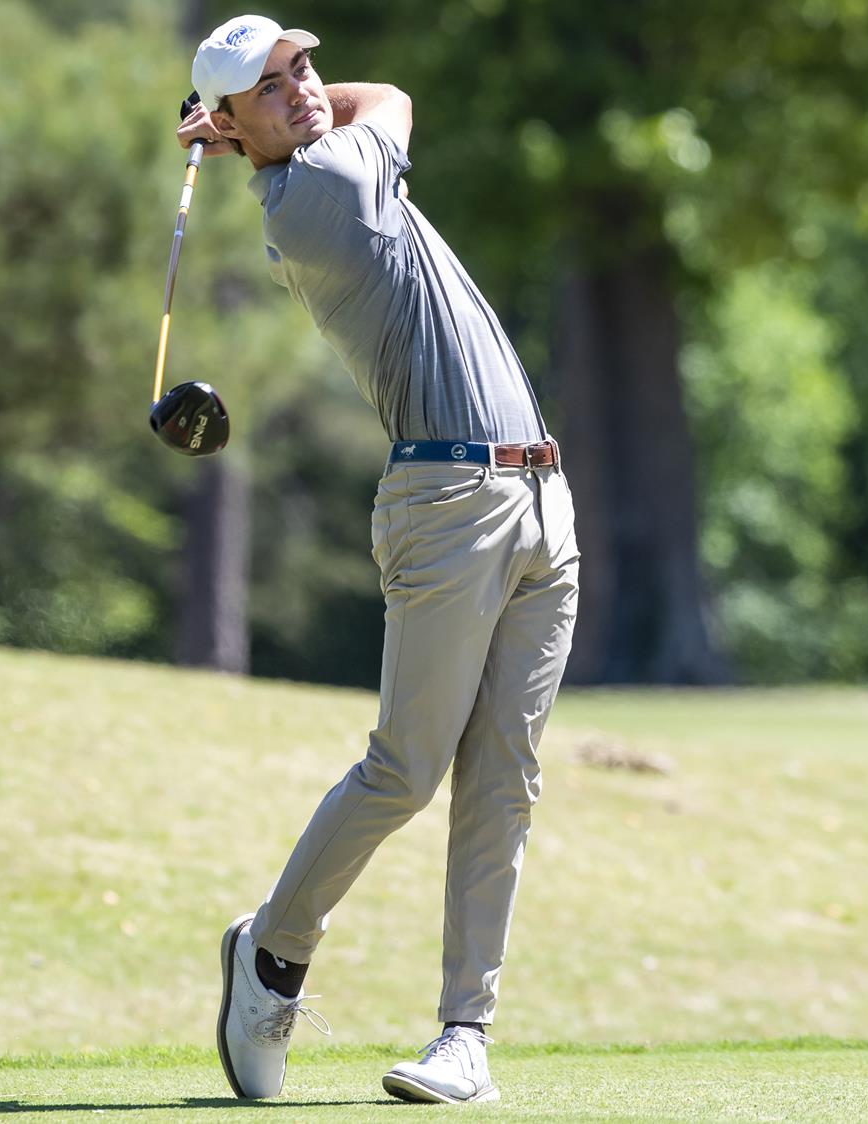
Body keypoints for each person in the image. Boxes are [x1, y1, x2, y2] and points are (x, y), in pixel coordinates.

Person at [178, 13, 579, 1106]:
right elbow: (390, 96)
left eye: (303, 66)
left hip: (540, 497)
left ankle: (464, 1036)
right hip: (448, 502)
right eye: (271, 86)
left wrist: (241, 114)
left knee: (504, 778)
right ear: (233, 125)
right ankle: (272, 951)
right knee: (405, 767)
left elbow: (352, 101)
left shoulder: (314, 157)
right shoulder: (321, 191)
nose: (305, 88)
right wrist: (238, 124)